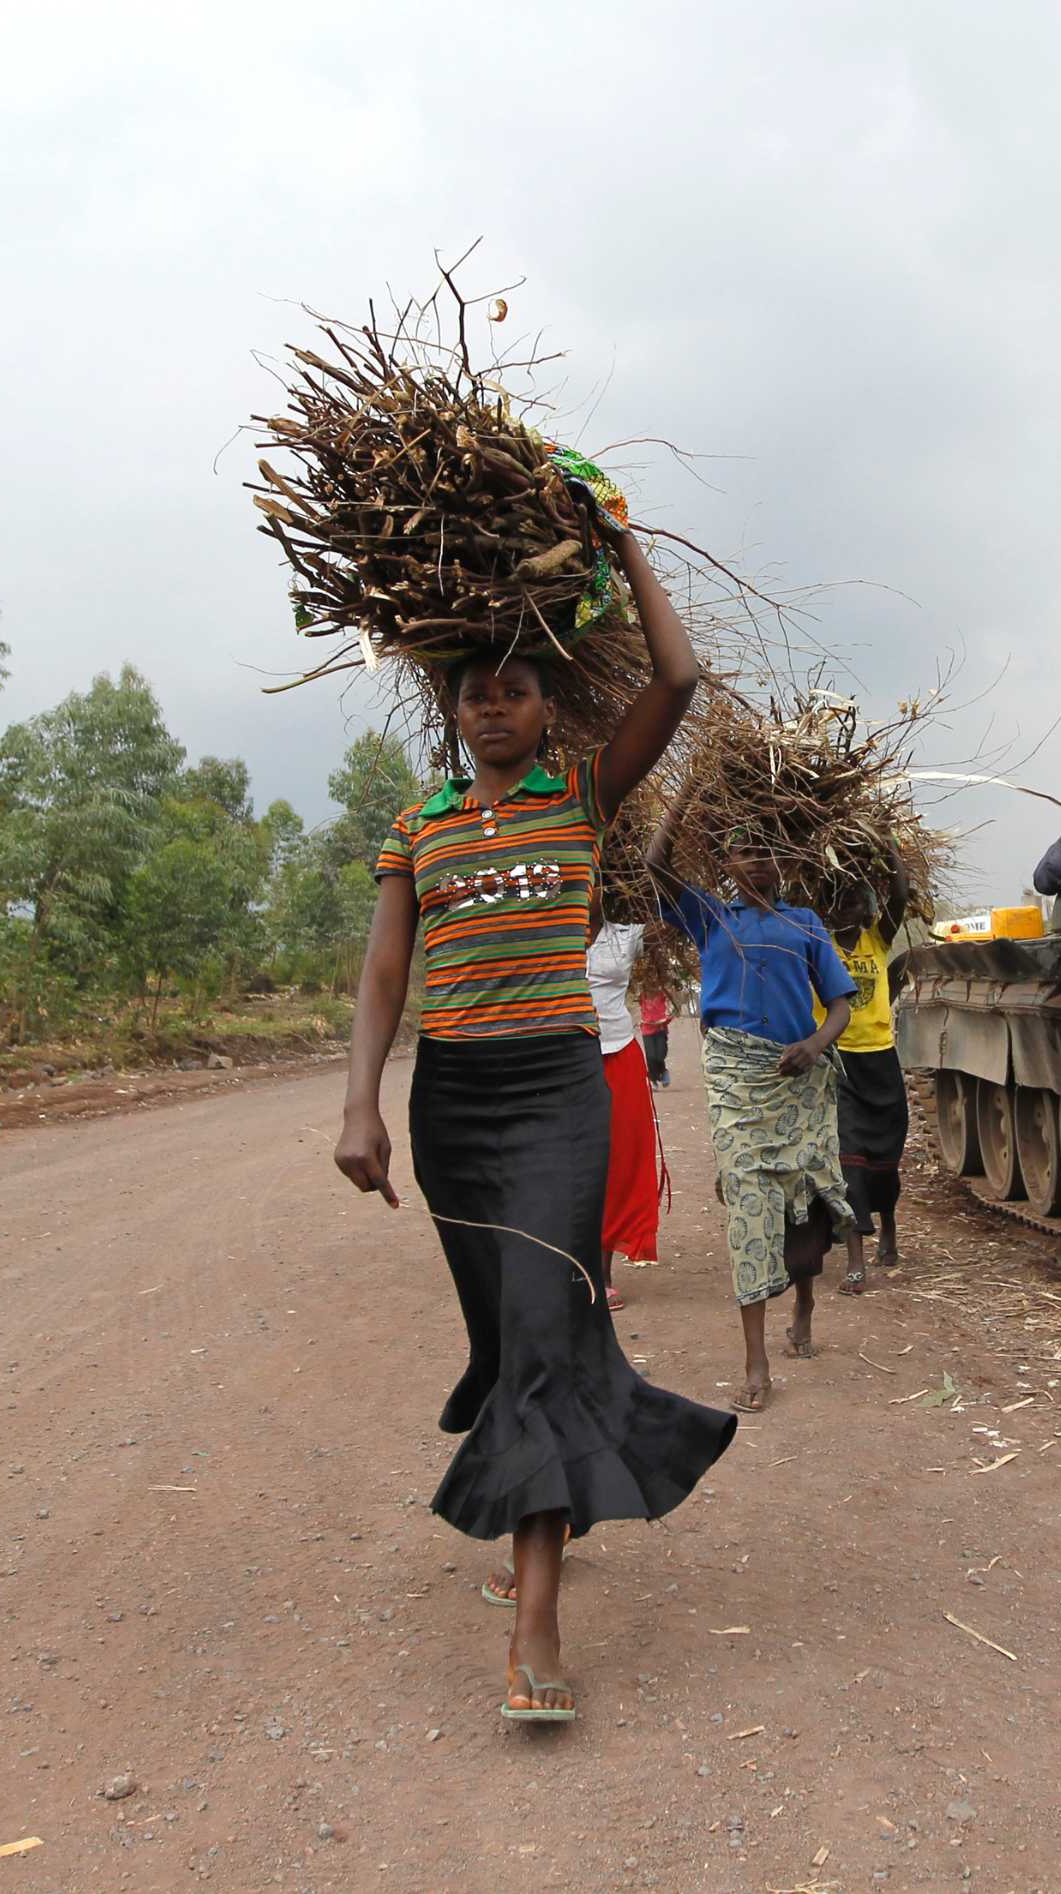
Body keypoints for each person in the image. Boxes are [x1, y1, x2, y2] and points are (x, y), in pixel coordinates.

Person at [333, 508, 721, 1729]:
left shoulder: (584, 800)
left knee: (547, 1333)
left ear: (549, 706)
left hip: (557, 1094)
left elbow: (676, 676)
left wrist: (623, 545)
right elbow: (386, 975)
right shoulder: (420, 826)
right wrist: (363, 1104)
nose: (494, 708)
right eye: (475, 695)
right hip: (456, 1103)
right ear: (454, 713)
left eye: (515, 690)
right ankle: (542, 1493)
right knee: (509, 1343)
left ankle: (537, 1619)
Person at [644, 799, 864, 1414]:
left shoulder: (805, 924)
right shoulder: (710, 917)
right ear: (726, 863)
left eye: (768, 852)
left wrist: (816, 1044)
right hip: (738, 1083)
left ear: (785, 862)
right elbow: (655, 863)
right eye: (745, 851)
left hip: (799, 1082)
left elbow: (841, 1003)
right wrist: (687, 795)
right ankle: (756, 1361)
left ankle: (804, 1304)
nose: (758, 862)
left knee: (808, 1206)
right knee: (747, 1206)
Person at [824, 890, 908, 1289]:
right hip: (839, 1062)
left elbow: (901, 894)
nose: (846, 908)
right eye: (839, 902)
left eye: (854, 902)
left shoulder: (878, 938)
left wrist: (890, 848)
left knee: (885, 1163)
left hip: (881, 1061)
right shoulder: (817, 942)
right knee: (849, 1160)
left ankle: (888, 1223)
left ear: (867, 908)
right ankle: (855, 1260)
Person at [586, 918, 664, 1308]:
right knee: (564, 1162)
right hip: (562, 1055)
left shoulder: (627, 934)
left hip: (618, 1054)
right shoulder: (548, 924)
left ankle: (601, 1271)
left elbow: (672, 917)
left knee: (619, 1161)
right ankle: (567, 1263)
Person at [637, 982, 674, 1088]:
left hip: (660, 1029)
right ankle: (653, 1079)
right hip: (647, 1030)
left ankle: (663, 1071)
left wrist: (665, 1020)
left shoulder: (662, 995)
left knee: (661, 1054)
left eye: (652, 984)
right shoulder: (642, 996)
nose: (650, 988)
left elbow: (671, 1010)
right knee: (651, 1056)